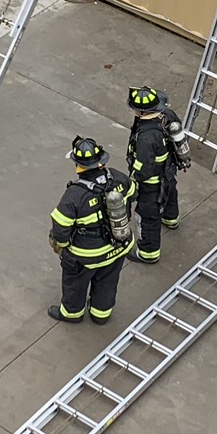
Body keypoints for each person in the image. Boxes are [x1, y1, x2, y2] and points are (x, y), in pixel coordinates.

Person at [48, 137, 134, 325]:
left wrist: (63, 248)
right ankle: (100, 315)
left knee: (75, 284)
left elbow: (61, 229)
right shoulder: (118, 177)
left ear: (78, 165)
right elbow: (133, 193)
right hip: (118, 247)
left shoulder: (74, 195)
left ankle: (72, 314)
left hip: (86, 255)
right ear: (101, 161)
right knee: (107, 282)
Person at [124, 85, 188, 263]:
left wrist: (132, 183)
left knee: (147, 215)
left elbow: (143, 168)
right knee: (170, 192)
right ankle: (171, 219)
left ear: (141, 112)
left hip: (150, 184)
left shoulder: (146, 137)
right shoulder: (168, 115)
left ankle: (148, 253)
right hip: (168, 171)